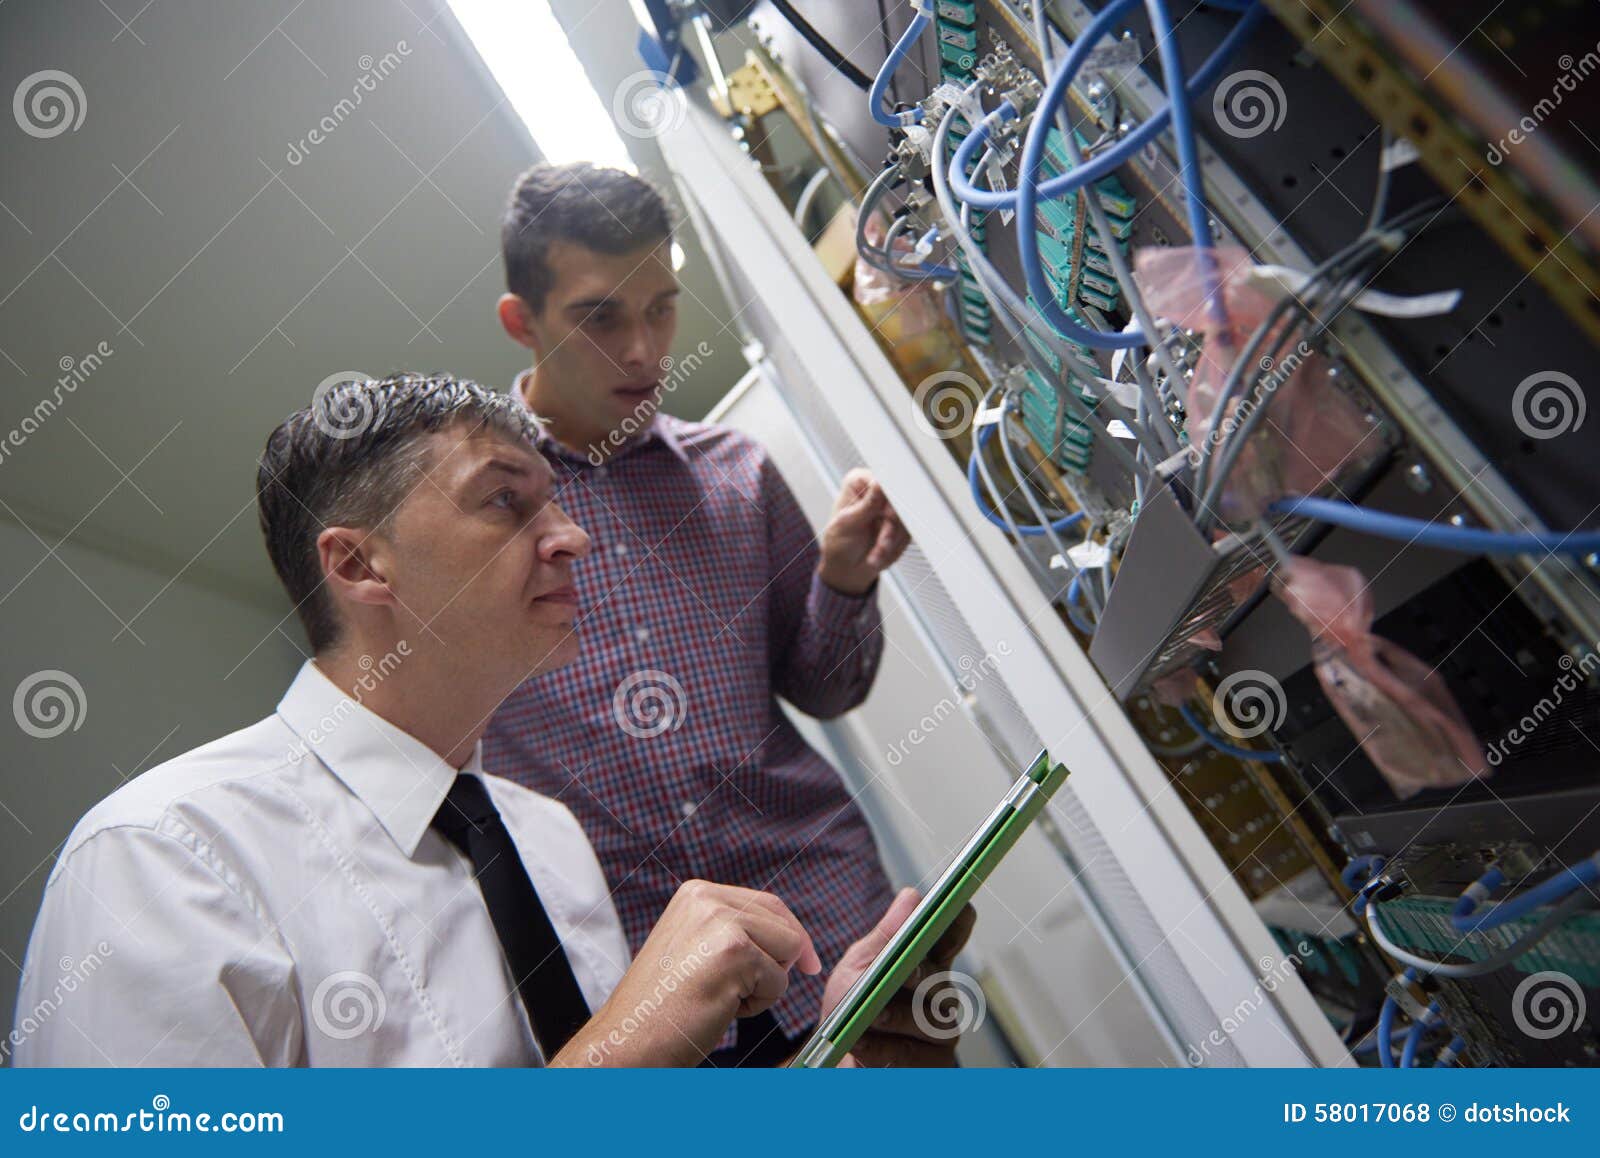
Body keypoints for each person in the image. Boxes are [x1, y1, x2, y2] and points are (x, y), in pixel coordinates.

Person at [11, 374, 969, 1067]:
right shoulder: (166, 858)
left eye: (550, 501)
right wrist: (624, 1056)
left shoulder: (548, 839)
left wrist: (846, 1065)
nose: (573, 536)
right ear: (358, 567)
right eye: (505, 502)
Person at [485, 163, 912, 1064]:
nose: (643, 350)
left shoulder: (739, 473)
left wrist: (841, 581)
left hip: (828, 907)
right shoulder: (469, 512)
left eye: (661, 307)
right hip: (643, 977)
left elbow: (826, 692)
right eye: (600, 317)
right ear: (523, 323)